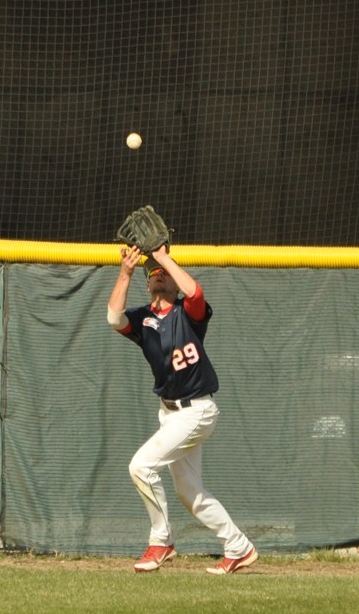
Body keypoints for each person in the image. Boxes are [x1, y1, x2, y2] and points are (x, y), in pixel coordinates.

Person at [107, 242, 258, 575]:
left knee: (141, 467)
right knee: (190, 493)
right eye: (154, 275)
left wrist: (163, 258)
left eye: (165, 275)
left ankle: (161, 541)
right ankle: (239, 547)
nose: (159, 277)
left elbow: (196, 292)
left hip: (197, 409)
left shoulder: (188, 313)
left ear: (174, 284)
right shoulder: (143, 318)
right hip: (171, 414)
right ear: (148, 285)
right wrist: (126, 272)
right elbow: (113, 317)